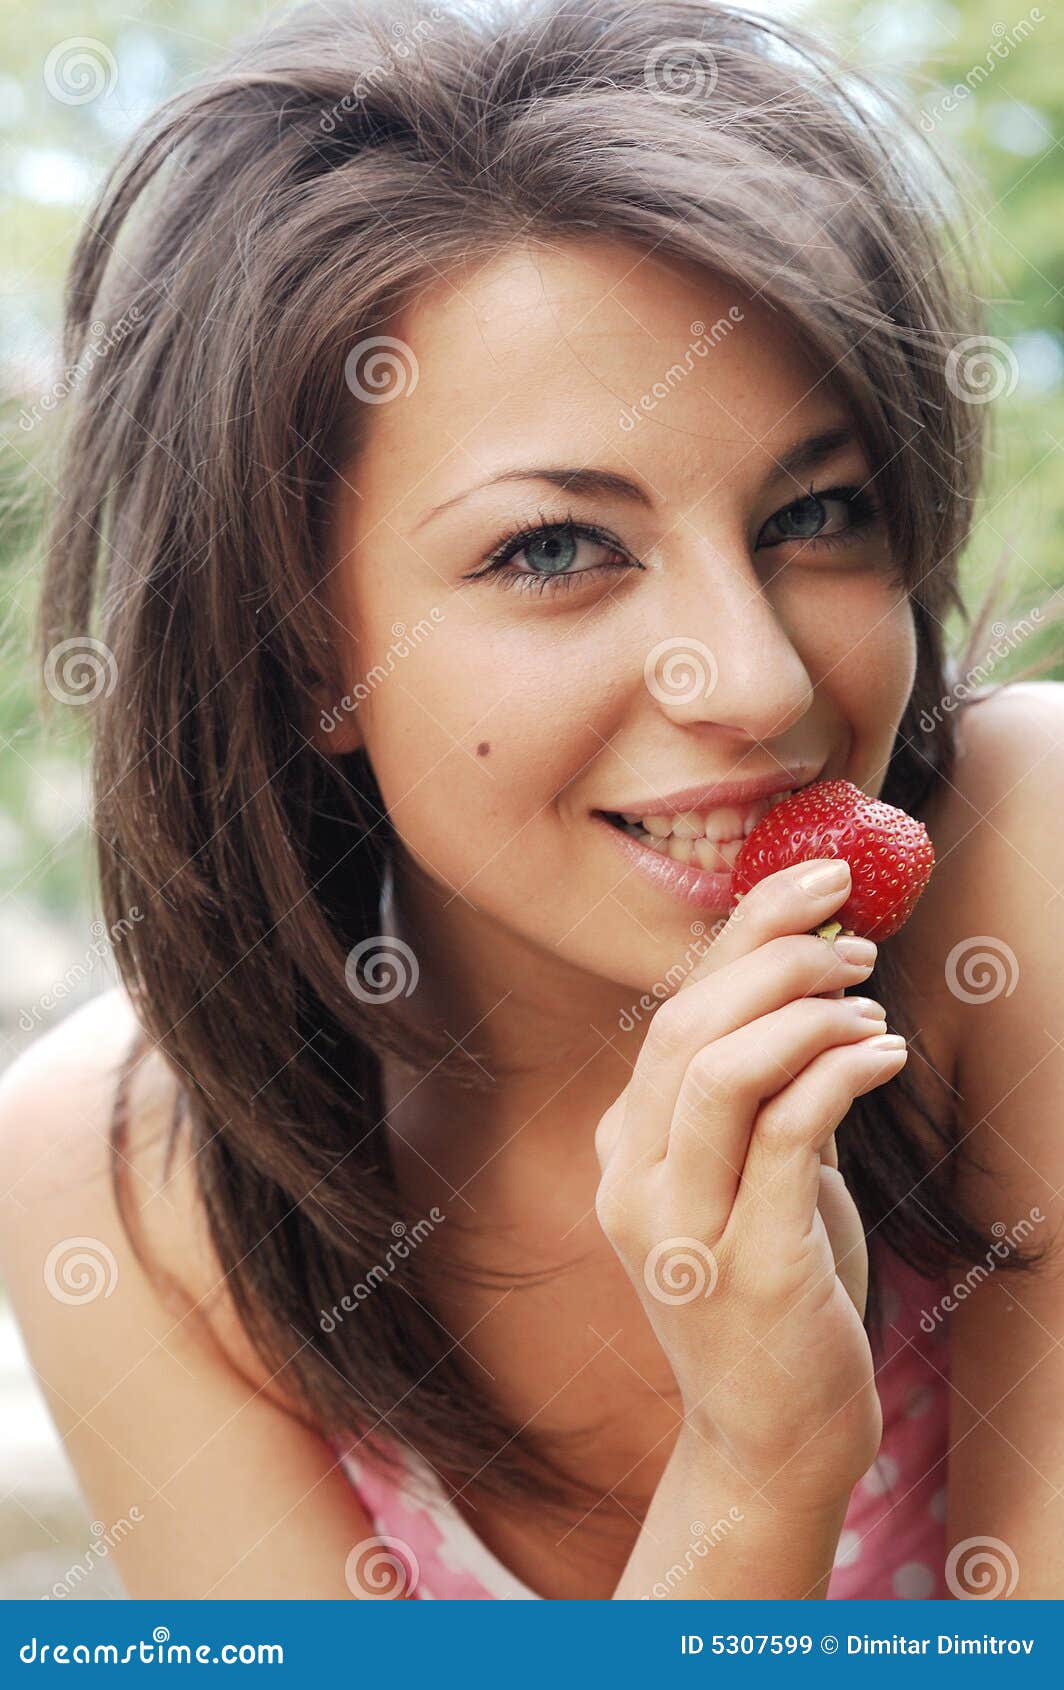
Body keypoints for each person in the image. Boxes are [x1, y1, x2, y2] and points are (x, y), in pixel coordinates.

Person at [1, 0, 1061, 1601]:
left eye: (818, 510)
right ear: (297, 646)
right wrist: (759, 1459)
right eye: (557, 548)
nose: (760, 680)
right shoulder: (124, 1174)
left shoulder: (1026, 867)